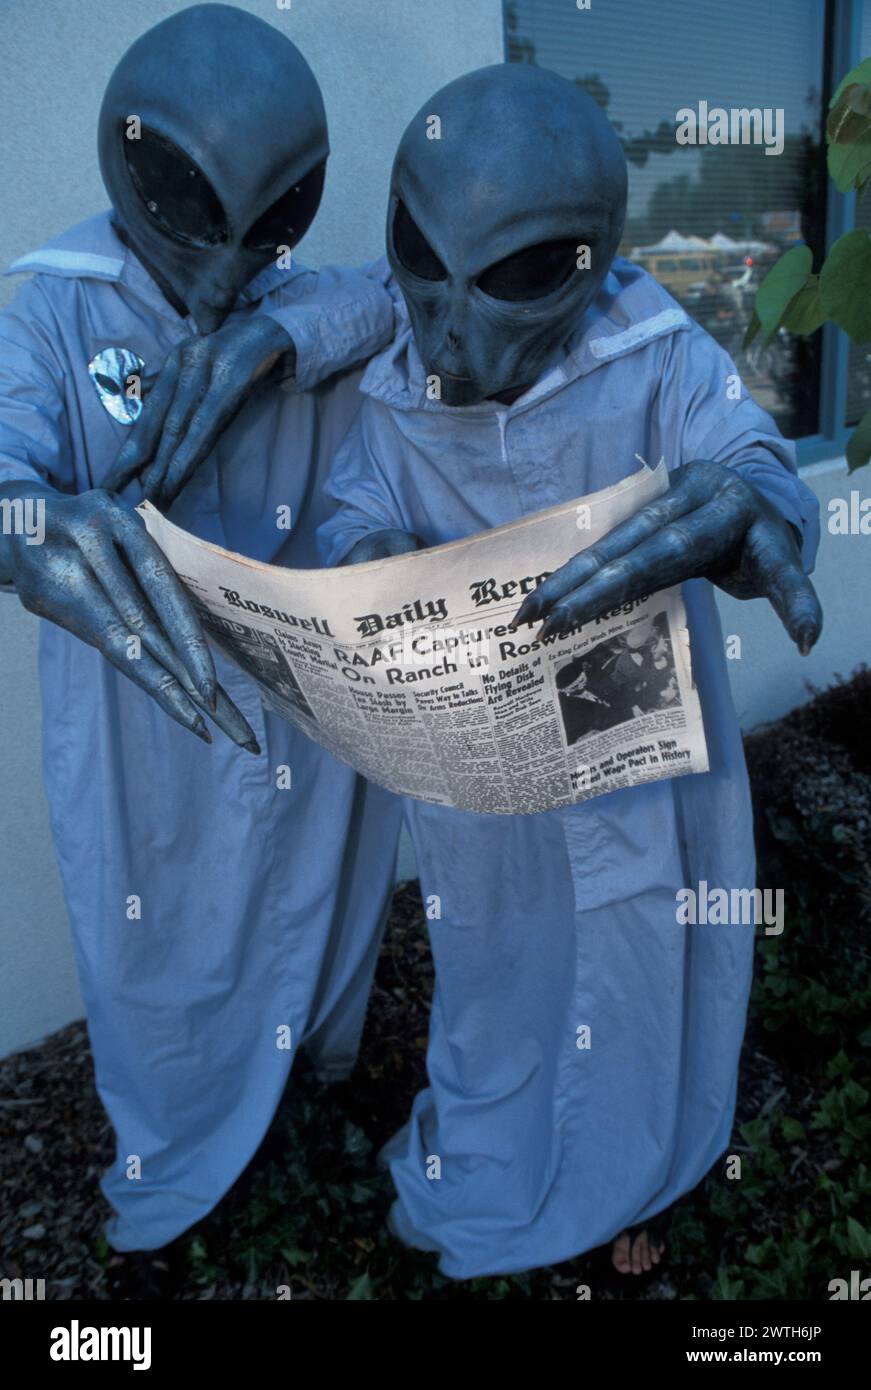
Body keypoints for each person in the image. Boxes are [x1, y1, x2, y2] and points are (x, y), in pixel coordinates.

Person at [318, 63, 822, 1280]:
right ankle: (498, 1133)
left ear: (586, 264)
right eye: (422, 265)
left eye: (510, 279)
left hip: (629, 736)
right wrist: (378, 564)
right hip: (480, 758)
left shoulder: (650, 353)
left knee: (644, 940)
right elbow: (354, 502)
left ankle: (635, 1155)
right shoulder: (393, 380)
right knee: (495, 954)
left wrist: (754, 510)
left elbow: (748, 456)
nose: (446, 332)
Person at [0, 5, 402, 1295]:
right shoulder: (47, 310)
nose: (228, 274)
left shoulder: (298, 305)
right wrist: (31, 524)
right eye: (198, 231)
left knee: (322, 895)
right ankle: (175, 1166)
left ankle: (308, 1090)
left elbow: (407, 301)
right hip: (147, 713)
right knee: (160, 935)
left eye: (265, 233)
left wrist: (269, 339)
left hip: (300, 692)